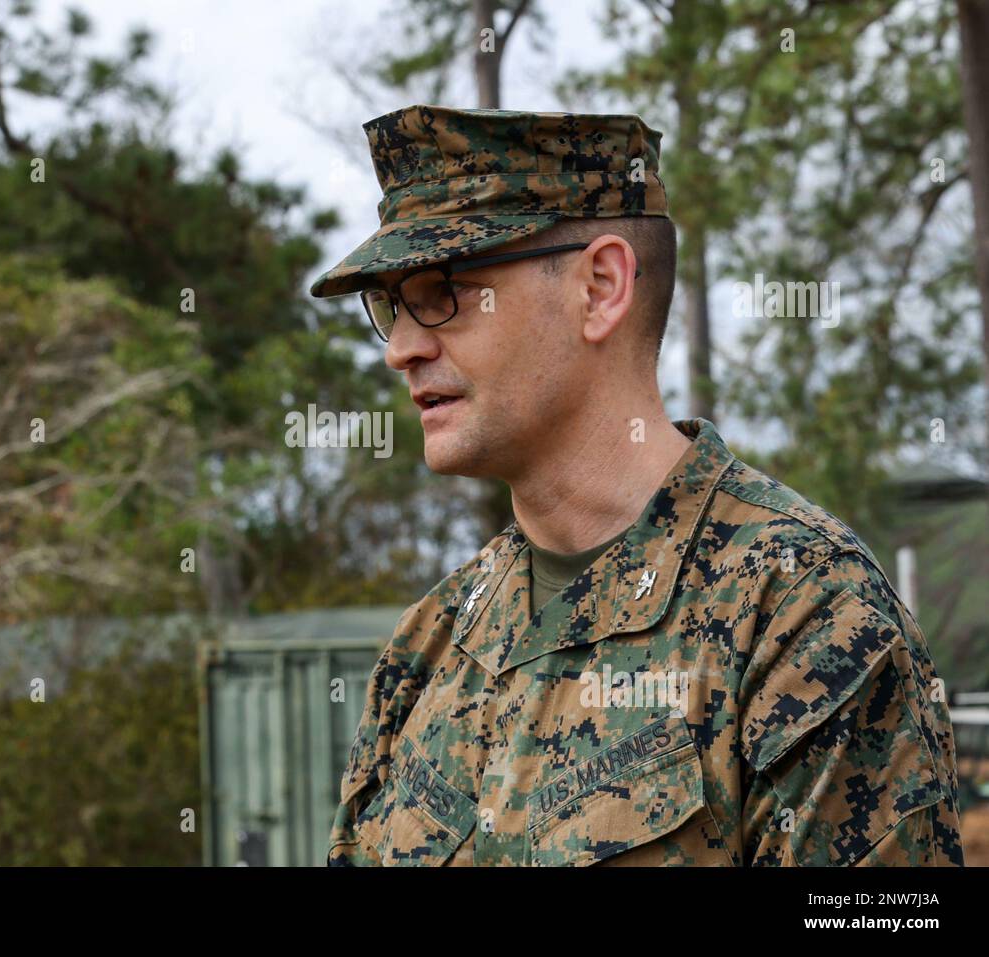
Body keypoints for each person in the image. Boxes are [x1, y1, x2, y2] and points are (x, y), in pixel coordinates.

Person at [308, 104, 963, 866]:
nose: (401, 348)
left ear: (601, 286)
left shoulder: (804, 615)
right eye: (391, 305)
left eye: (441, 291)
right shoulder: (429, 645)